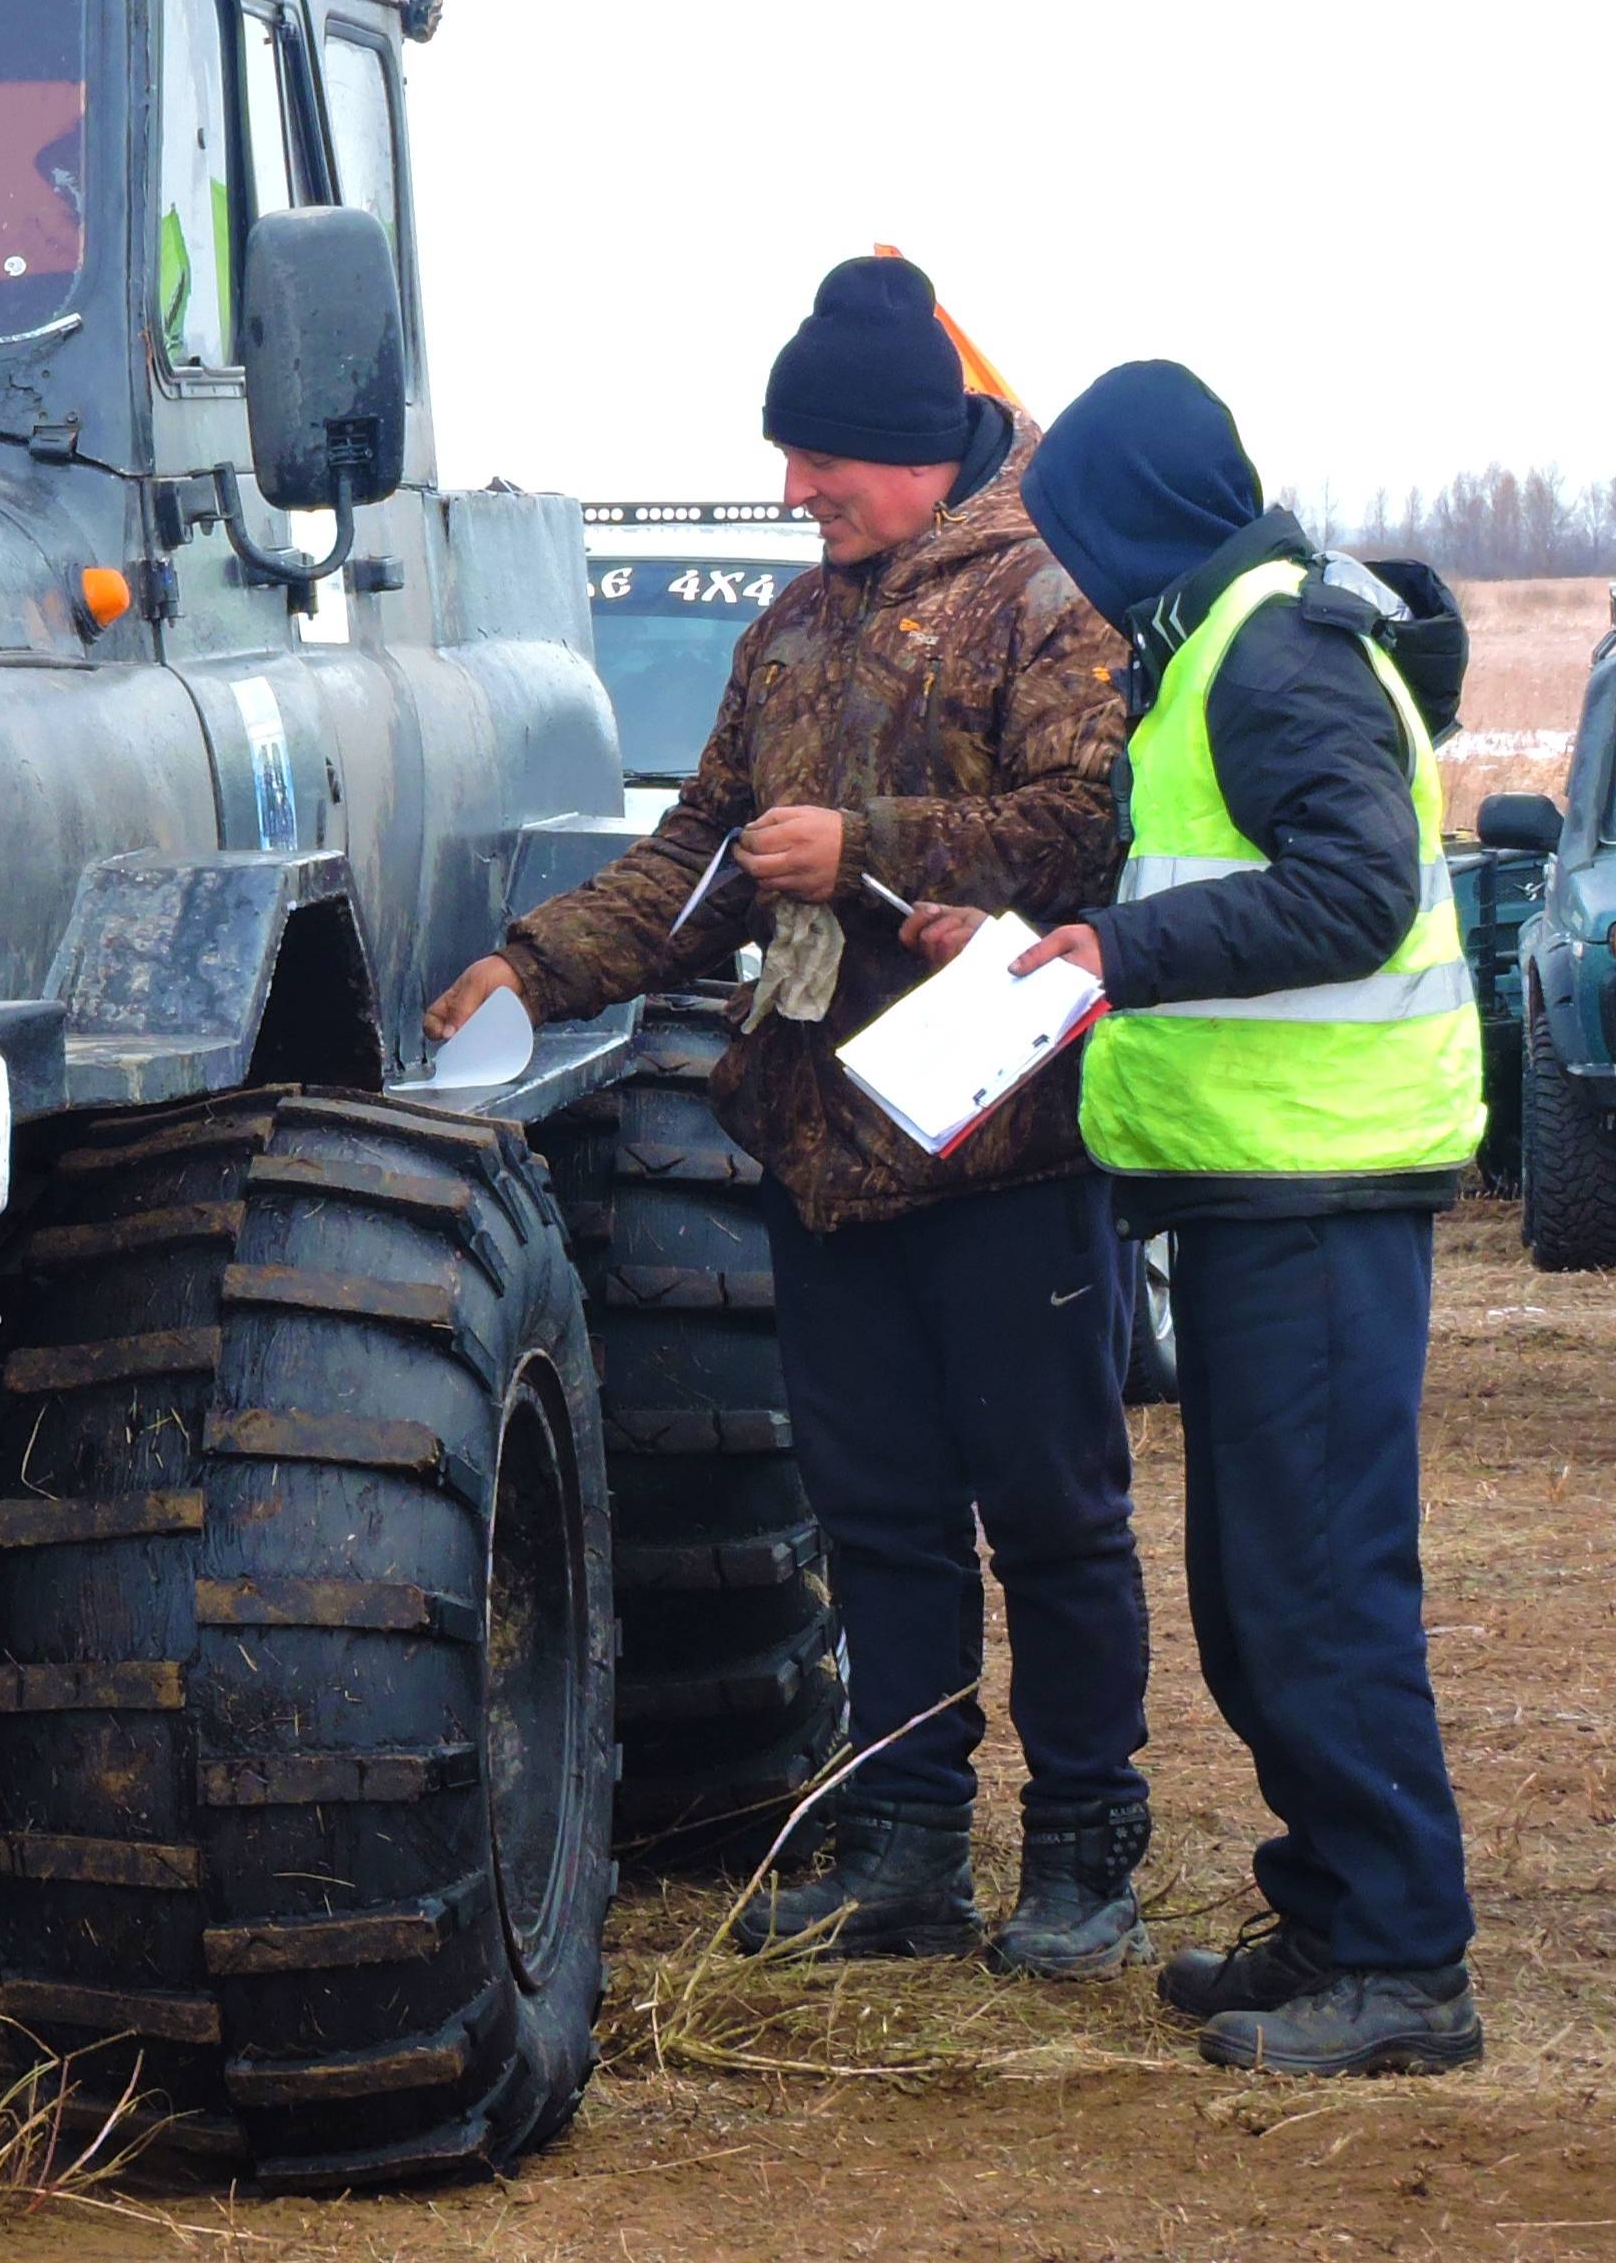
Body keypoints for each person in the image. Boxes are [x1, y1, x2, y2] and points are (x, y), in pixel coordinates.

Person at [426, 255, 1151, 1976]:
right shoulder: (791, 629)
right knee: (877, 1521)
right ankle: (905, 1851)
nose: (791, 490)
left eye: (817, 460)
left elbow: (1087, 831)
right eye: (787, 457)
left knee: (1054, 1517)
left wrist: (865, 848)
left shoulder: (1052, 598)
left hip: (1007, 1150)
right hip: (825, 1160)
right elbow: (698, 854)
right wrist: (532, 964)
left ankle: (1082, 1850)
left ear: (910, 449)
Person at [908, 358, 1491, 2076]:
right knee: (1259, 1595)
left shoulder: (1273, 648)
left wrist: (1119, 950)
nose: (1070, 572)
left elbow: (1355, 887)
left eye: (1077, 531)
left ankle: (1405, 1961)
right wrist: (1039, 943)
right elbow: (1214, 880)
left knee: (1318, 1589)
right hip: (1258, 1188)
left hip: (1322, 1186)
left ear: (1134, 517)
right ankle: (1333, 1914)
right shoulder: (1212, 647)